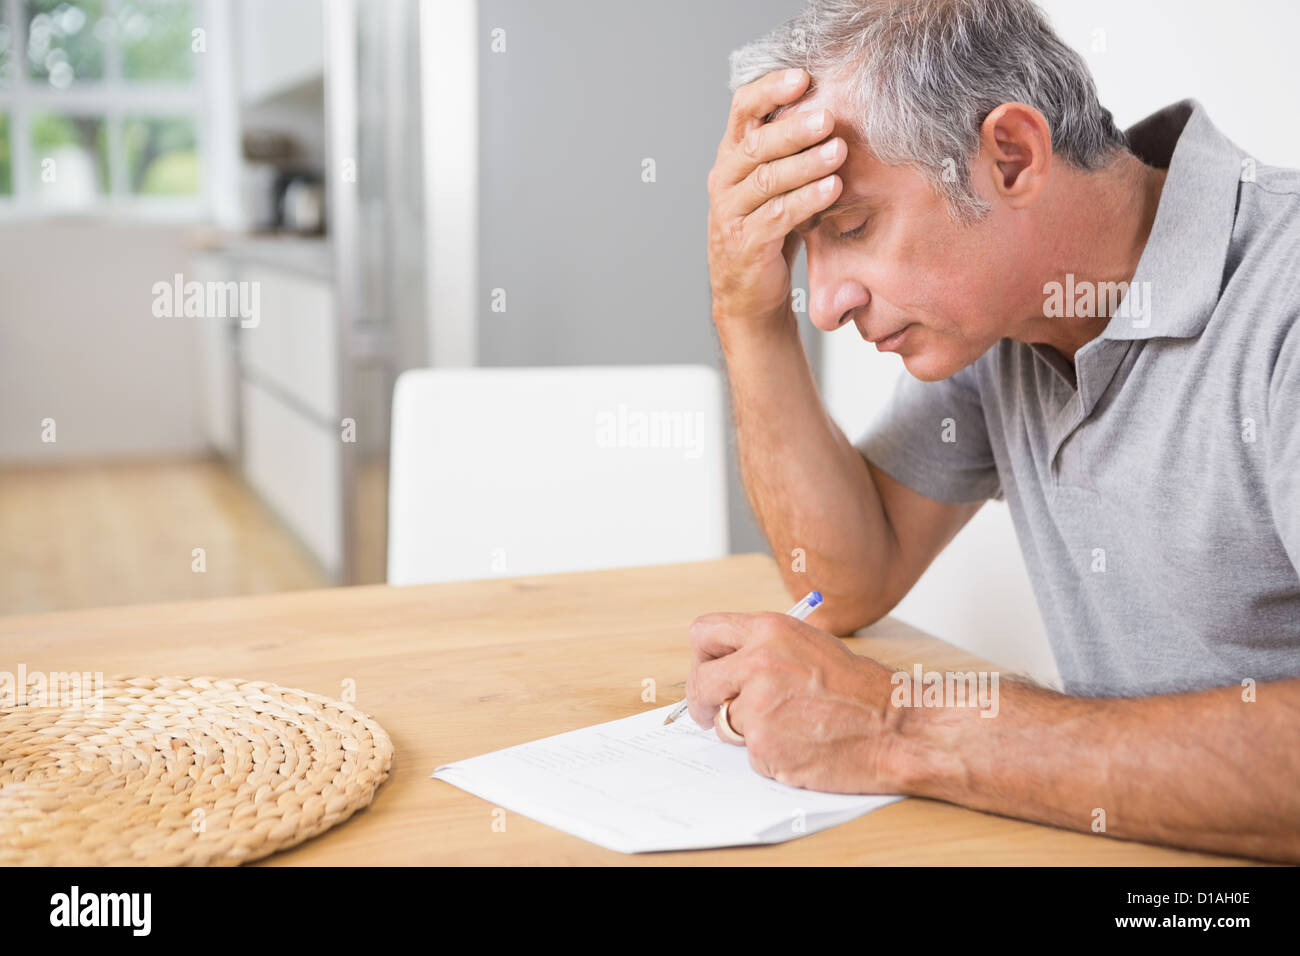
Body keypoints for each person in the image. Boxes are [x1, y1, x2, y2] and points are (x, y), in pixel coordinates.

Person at [694, 0, 1300, 862]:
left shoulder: (1284, 301)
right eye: (803, 249)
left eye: (853, 226)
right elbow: (838, 582)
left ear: (1011, 156)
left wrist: (896, 725)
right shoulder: (1009, 320)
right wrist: (747, 314)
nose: (823, 305)